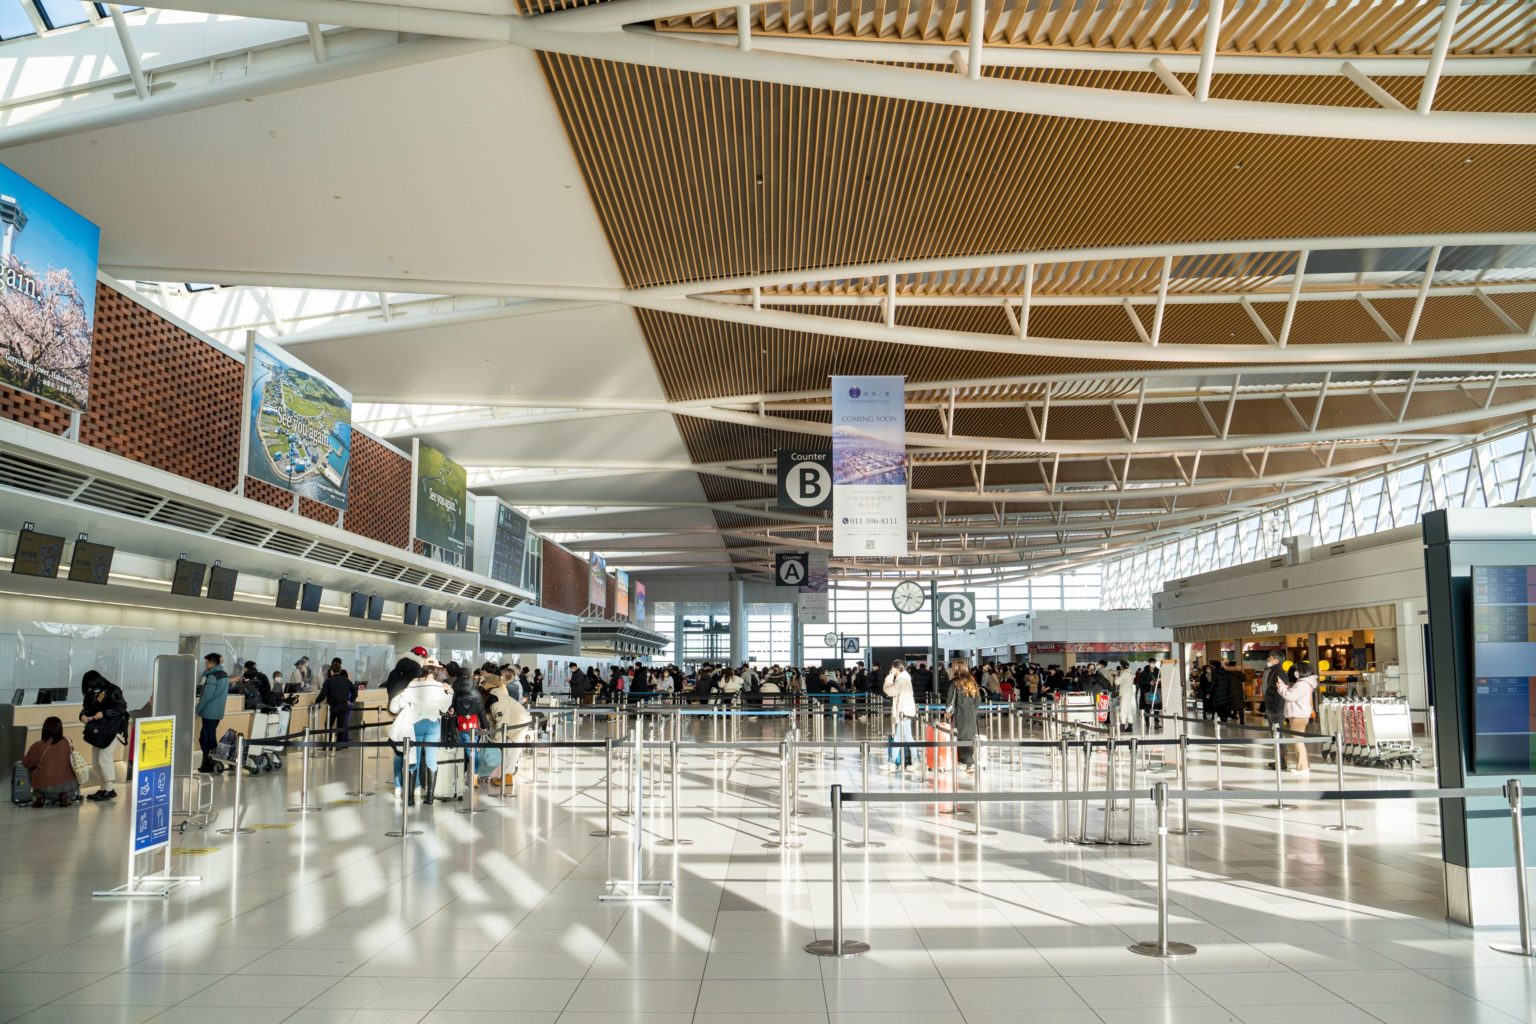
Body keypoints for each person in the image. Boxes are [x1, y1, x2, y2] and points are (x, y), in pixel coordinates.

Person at [388, 655, 452, 804]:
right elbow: (444, 707)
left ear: (423, 668)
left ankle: (409, 797)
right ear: (436, 669)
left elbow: (397, 704)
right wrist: (450, 692)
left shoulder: (413, 684)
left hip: (415, 724)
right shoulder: (440, 686)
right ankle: (429, 797)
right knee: (431, 759)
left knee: (413, 759)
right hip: (433, 725)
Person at [23, 716, 77, 807]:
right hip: (68, 785)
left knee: (31, 770)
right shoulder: (67, 742)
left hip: (44, 787)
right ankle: (65, 795)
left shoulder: (37, 745)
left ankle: (39, 796)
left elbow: (27, 764)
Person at [1277, 660, 1319, 772]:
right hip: (1300, 714)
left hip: (1298, 715)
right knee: (1299, 741)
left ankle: (1302, 767)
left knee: (1298, 741)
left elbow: (1290, 696)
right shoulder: (1306, 683)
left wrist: (1281, 688)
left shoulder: (1301, 684)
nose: (1294, 673)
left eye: (1296, 670)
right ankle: (1304, 765)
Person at [195, 655, 229, 775]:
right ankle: (210, 763)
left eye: (206, 663)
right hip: (217, 712)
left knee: (207, 738)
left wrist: (197, 710)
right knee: (208, 736)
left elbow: (206, 697)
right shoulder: (224, 675)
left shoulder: (212, 676)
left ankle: (210, 764)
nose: (205, 665)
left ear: (211, 663)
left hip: (209, 712)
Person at [882, 659, 916, 772]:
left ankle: (894, 763)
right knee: (903, 737)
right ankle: (893, 763)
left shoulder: (901, 680)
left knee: (902, 738)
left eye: (892, 668)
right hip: (905, 712)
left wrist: (889, 677)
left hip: (903, 713)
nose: (891, 670)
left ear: (896, 668)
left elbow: (888, 690)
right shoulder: (906, 679)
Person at [946, 659, 980, 770]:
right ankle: (965, 760)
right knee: (969, 737)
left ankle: (970, 762)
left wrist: (948, 712)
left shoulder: (954, 682)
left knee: (961, 737)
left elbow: (950, 699)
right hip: (971, 712)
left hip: (960, 713)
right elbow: (978, 700)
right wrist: (972, 707)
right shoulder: (972, 681)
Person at [318, 661, 357, 748]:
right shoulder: (346, 680)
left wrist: (317, 702)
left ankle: (329, 744)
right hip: (344, 706)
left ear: (331, 671)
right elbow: (355, 691)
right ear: (340, 670)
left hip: (334, 706)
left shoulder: (329, 681)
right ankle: (339, 745)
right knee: (341, 726)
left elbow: (323, 694)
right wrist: (350, 700)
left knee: (328, 725)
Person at [1261, 652, 1287, 733]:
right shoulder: (1272, 671)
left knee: (1277, 733)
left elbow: (1281, 692)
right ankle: (1277, 746)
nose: (1268, 659)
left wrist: (1275, 708)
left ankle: (1280, 746)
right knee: (1274, 732)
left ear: (1276, 660)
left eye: (1270, 658)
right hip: (1271, 706)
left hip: (1276, 708)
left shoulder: (1280, 672)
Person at [1114, 660, 1137, 733]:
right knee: (1128, 709)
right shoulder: (1130, 673)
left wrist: (1116, 675)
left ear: (1122, 667)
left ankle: (1122, 726)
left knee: (1123, 709)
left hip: (1124, 694)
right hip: (1129, 693)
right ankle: (1130, 725)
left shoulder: (1124, 674)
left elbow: (1116, 682)